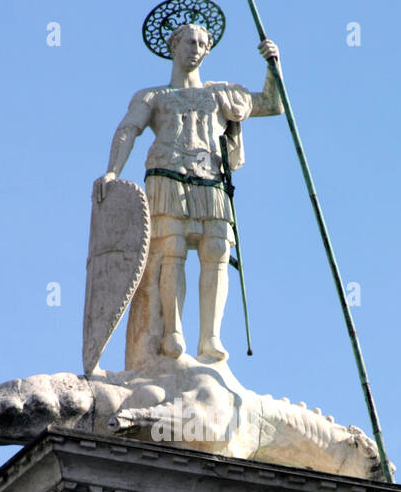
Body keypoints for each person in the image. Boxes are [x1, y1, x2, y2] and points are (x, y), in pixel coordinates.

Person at [93, 20, 283, 367]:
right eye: (189, 42)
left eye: (201, 44)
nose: (195, 49)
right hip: (167, 174)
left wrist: (274, 66)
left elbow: (272, 104)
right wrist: (112, 171)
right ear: (173, 46)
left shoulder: (222, 94)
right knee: (171, 250)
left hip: (211, 177)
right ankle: (173, 331)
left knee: (216, 250)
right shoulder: (154, 96)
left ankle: (210, 337)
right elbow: (128, 130)